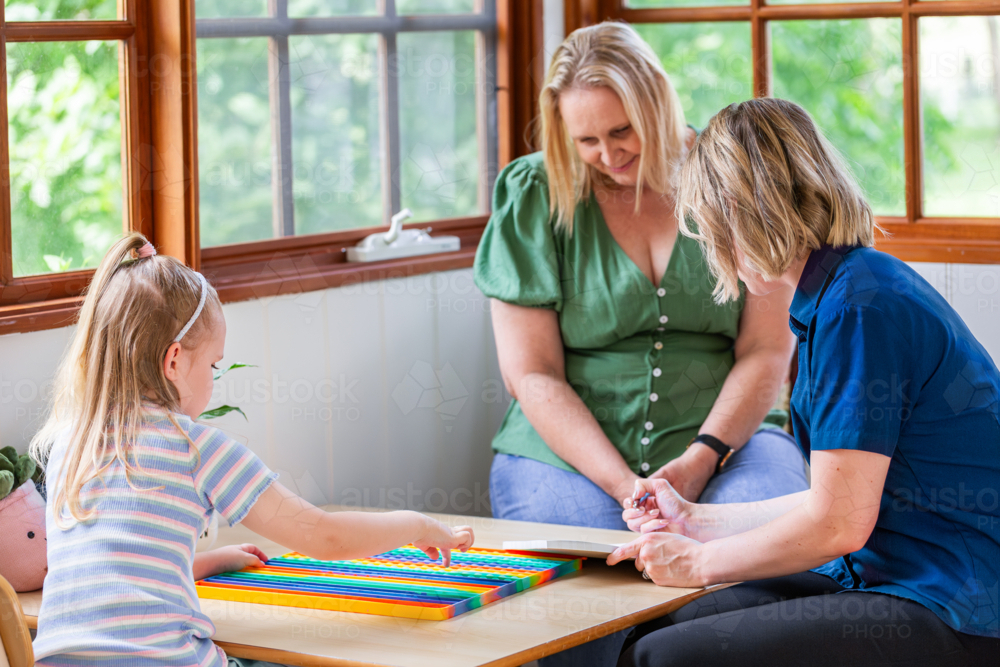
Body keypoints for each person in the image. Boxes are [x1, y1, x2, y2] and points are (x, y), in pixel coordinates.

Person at [609, 98, 1000, 667]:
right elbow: (837, 498)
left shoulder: (859, 308)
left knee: (664, 659)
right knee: (666, 625)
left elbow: (837, 523)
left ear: (739, 212)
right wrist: (694, 522)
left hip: (957, 596)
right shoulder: (842, 290)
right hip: (892, 568)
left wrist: (697, 562)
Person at [474, 21, 808, 666]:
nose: (607, 154)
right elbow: (532, 375)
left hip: (727, 438)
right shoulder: (533, 190)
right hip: (568, 451)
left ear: (658, 101)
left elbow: (766, 352)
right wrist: (628, 486)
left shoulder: (730, 180)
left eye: (622, 131)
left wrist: (703, 457)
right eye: (586, 140)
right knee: (590, 588)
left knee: (744, 569)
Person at [29, 233, 474, 667]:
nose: (215, 376)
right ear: (175, 360)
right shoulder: (196, 448)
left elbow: (117, 564)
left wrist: (208, 562)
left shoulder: (69, 442)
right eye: (214, 364)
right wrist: (417, 525)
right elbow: (324, 535)